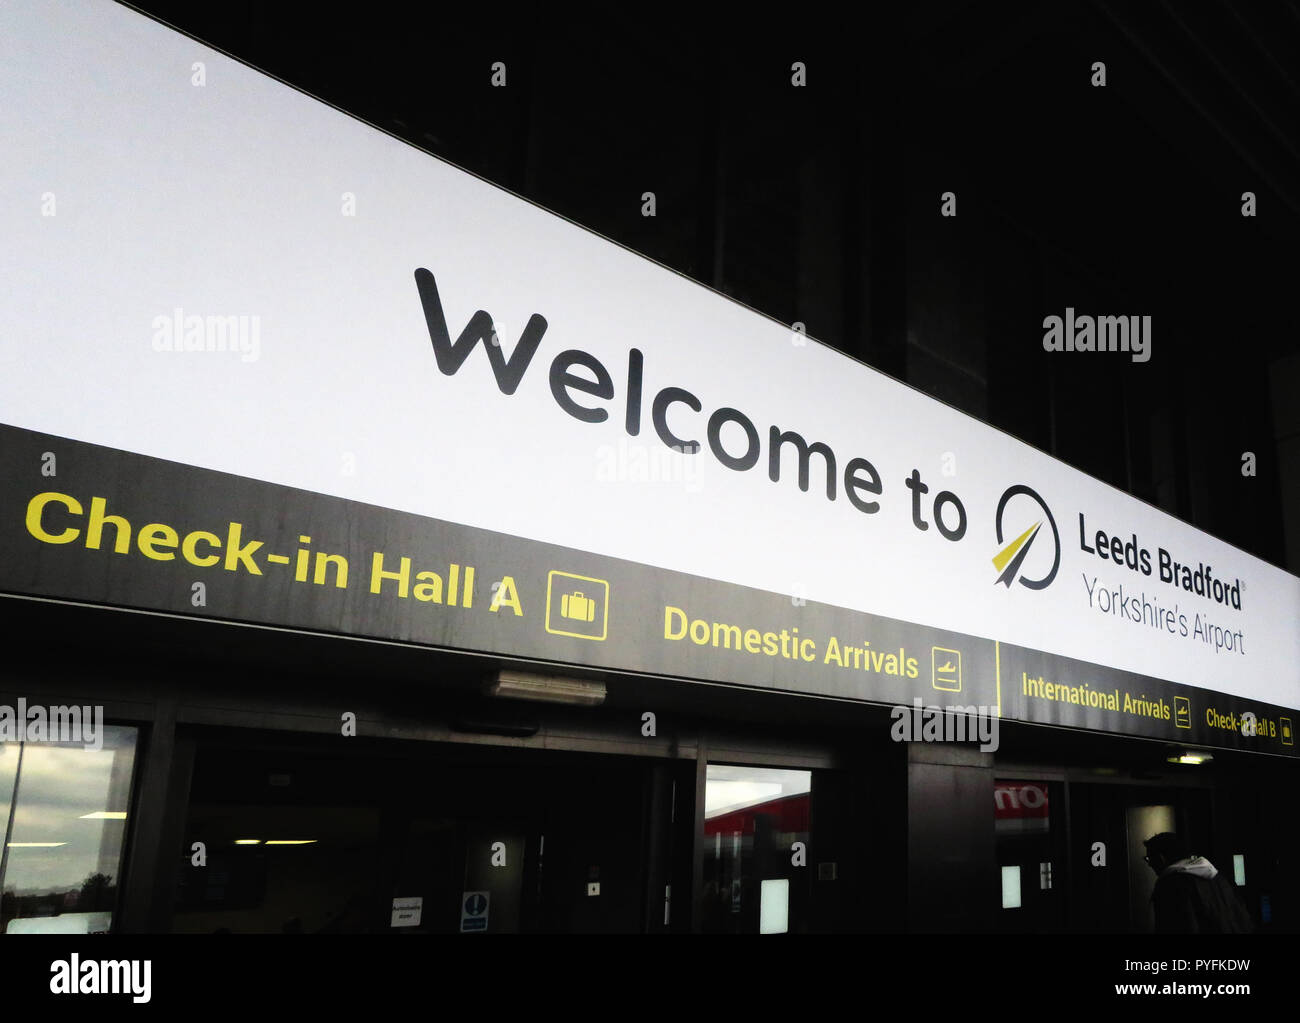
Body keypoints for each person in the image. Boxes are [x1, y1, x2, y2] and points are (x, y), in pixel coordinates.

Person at [1143, 832, 1253, 933]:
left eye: (1149, 859)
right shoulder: (1219, 878)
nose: (1149, 864)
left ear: (1161, 858)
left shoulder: (1170, 885)